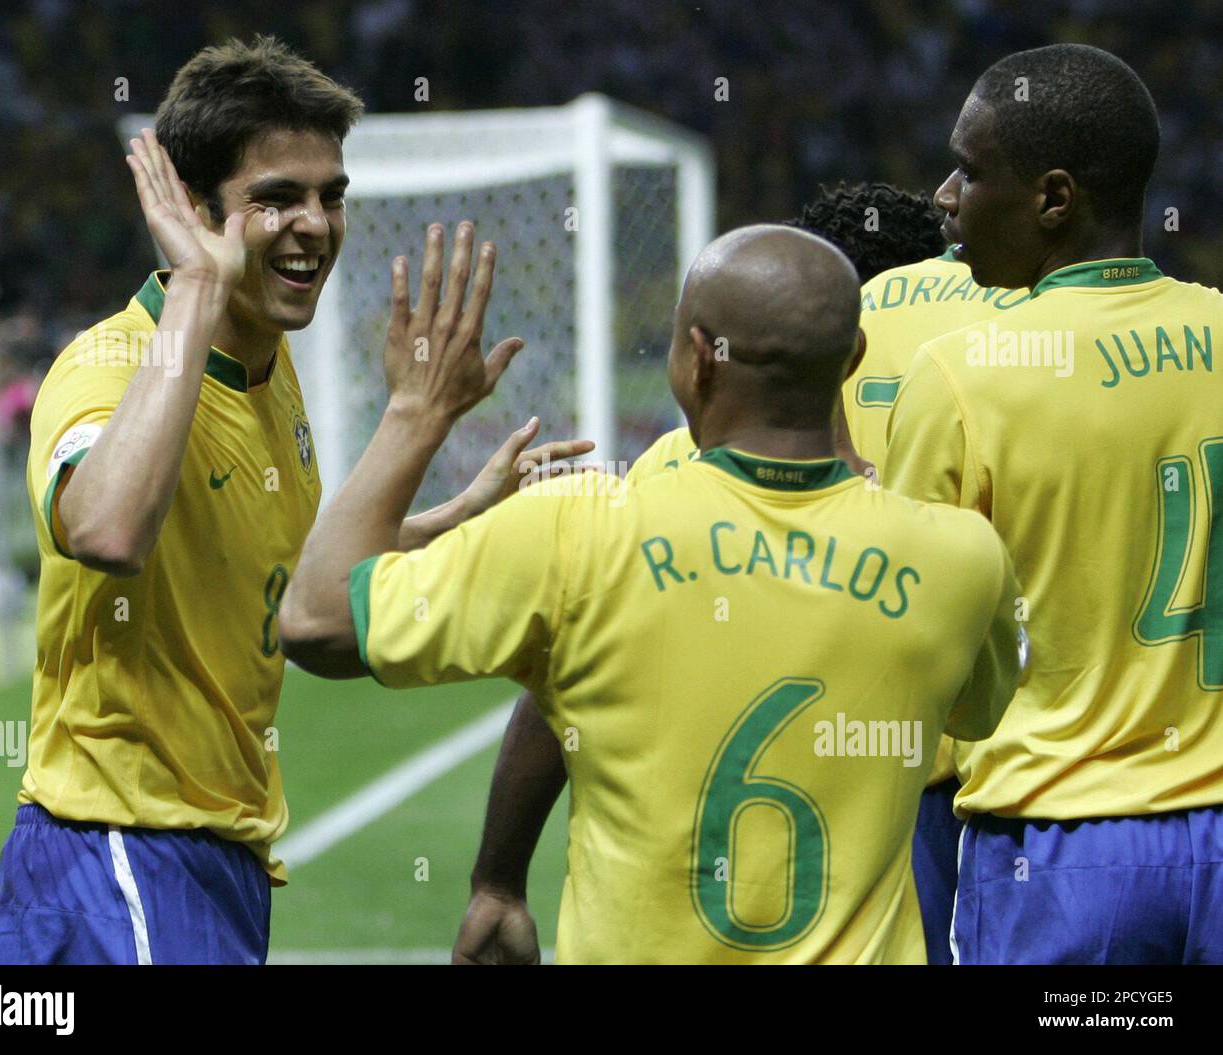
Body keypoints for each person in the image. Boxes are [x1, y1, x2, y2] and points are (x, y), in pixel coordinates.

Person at [279, 223, 1024, 963]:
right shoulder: (960, 559)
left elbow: (316, 618)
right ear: (852, 358)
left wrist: (417, 412)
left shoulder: (580, 528)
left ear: (699, 357)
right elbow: (977, 711)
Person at [0, 35, 582, 965]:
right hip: (114, 849)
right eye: (275, 199)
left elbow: (294, 599)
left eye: (329, 195)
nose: (315, 222)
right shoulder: (108, 366)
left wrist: (465, 513)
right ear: (191, 208)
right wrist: (196, 284)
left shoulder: (269, 368)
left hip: (214, 855)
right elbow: (105, 530)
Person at [886, 43, 1223, 964]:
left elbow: (904, 643)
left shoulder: (962, 375)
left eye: (970, 170)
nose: (945, 198)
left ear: (1055, 198)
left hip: (1061, 851)